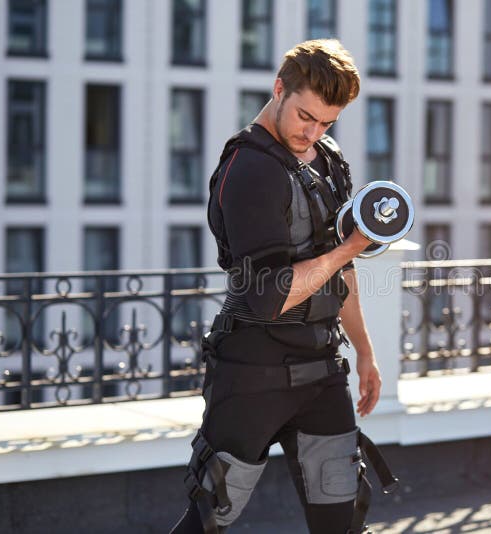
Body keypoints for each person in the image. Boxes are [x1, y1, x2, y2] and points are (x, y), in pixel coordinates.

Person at [170, 39, 397, 534]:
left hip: (321, 370)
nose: (312, 132)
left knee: (342, 516)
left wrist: (364, 351)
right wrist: (352, 246)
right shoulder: (249, 170)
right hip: (253, 371)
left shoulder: (328, 158)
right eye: (305, 116)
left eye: (326, 123)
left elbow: (340, 271)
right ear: (279, 89)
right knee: (210, 518)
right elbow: (271, 295)